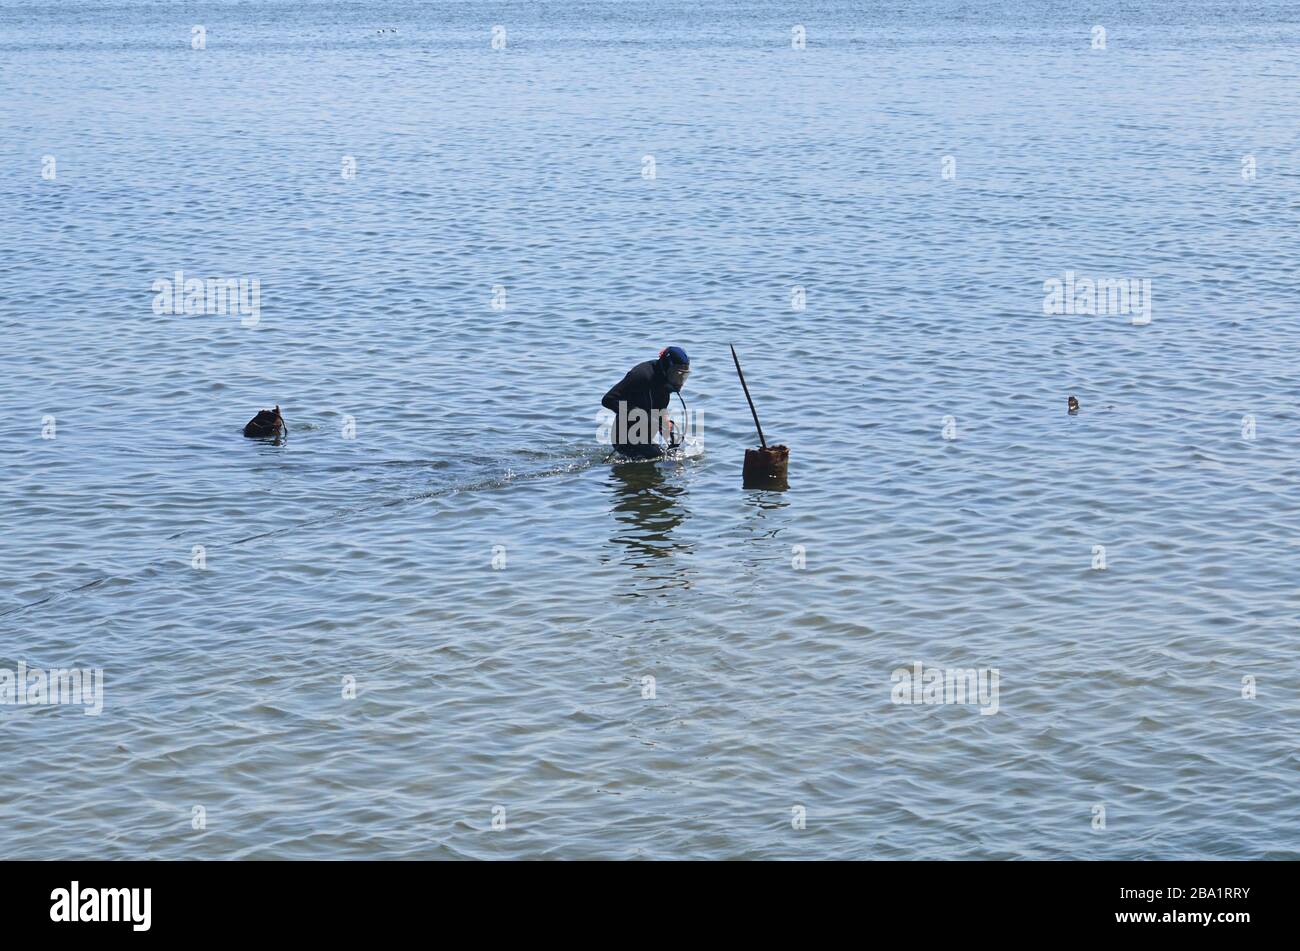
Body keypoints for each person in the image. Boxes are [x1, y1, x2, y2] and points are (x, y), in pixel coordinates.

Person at [602, 347, 690, 458]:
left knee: (671, 453)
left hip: (644, 435)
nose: (680, 382)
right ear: (667, 367)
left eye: (683, 377)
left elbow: (660, 410)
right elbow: (608, 399)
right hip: (624, 437)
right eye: (677, 375)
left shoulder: (665, 381)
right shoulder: (641, 375)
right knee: (658, 457)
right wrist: (639, 415)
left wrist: (668, 430)